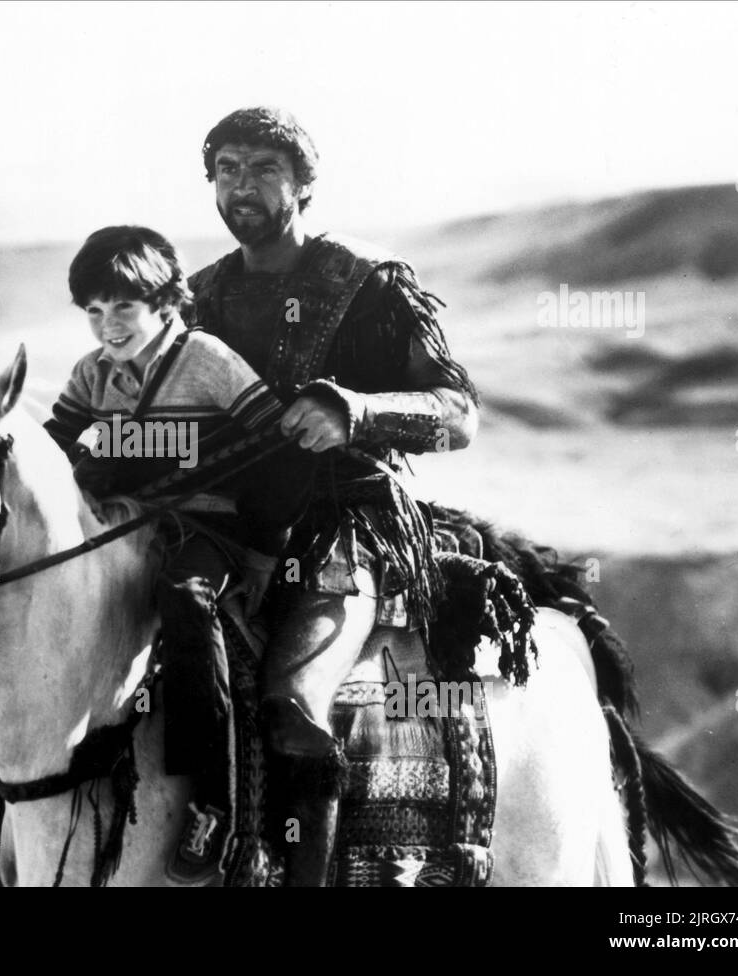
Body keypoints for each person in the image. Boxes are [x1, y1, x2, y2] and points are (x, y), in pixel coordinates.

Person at [186, 106, 481, 886]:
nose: (242, 186)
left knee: (293, 701)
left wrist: (358, 411)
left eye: (264, 170)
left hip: (346, 527)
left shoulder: (369, 283)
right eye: (228, 170)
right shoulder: (198, 298)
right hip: (226, 525)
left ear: (304, 187)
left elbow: (459, 415)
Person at [43, 225, 306, 883]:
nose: (107, 326)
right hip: (119, 534)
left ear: (164, 301)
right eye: (94, 312)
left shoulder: (209, 360)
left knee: (185, 600)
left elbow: (277, 454)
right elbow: (54, 454)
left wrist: (263, 557)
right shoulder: (90, 375)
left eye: (122, 308)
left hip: (210, 534)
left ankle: (213, 803)